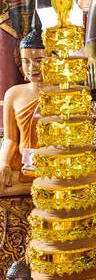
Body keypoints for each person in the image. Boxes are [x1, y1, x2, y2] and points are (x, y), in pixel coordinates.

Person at [0, 14, 44, 194]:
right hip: (22, 166)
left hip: (52, 167)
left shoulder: (61, 95)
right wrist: (3, 164)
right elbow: (10, 139)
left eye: (39, 60)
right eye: (26, 61)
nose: (31, 67)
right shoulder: (14, 93)